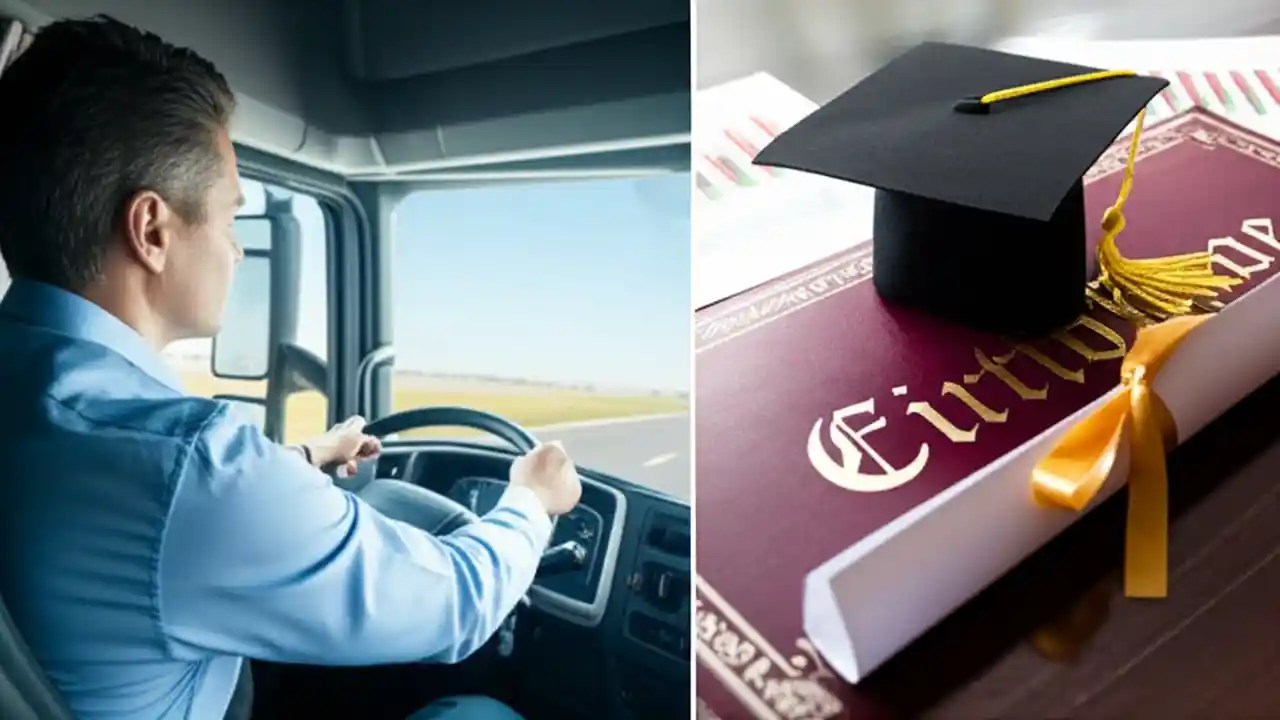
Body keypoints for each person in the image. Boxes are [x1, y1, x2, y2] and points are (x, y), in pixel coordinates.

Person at [0, 14, 581, 720]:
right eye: (228, 218)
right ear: (152, 231)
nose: (237, 251)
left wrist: (304, 456)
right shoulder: (191, 464)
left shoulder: (43, 394)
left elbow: (160, 519)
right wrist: (530, 499)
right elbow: (458, 603)